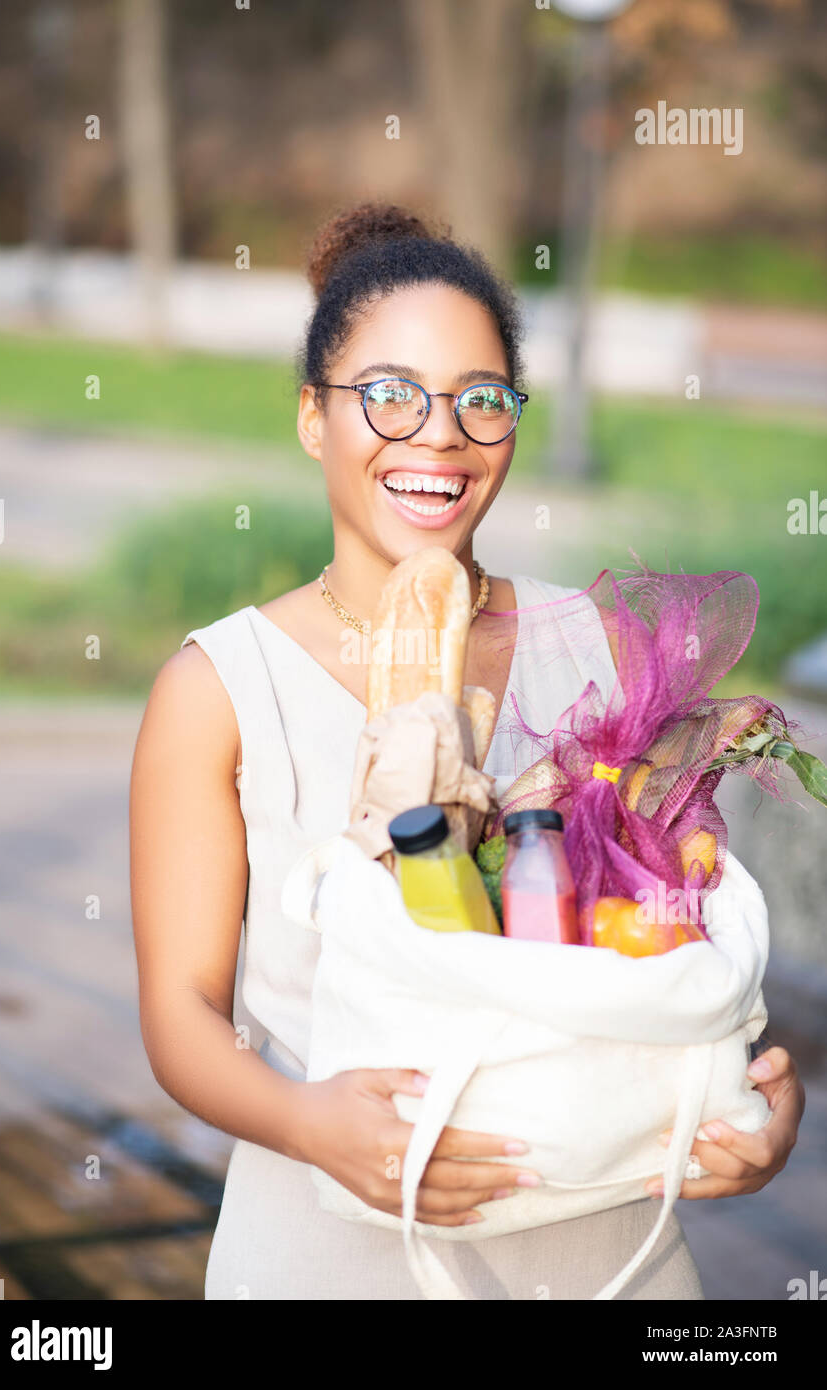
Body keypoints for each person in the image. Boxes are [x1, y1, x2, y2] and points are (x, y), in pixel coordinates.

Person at [129, 202, 805, 1300]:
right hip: (330, 1250)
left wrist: (749, 1102)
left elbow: (672, 927)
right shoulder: (216, 690)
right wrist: (307, 1121)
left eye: (479, 401)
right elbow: (179, 1012)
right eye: (388, 395)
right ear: (312, 417)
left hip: (603, 1259)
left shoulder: (591, 646)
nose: (437, 435)